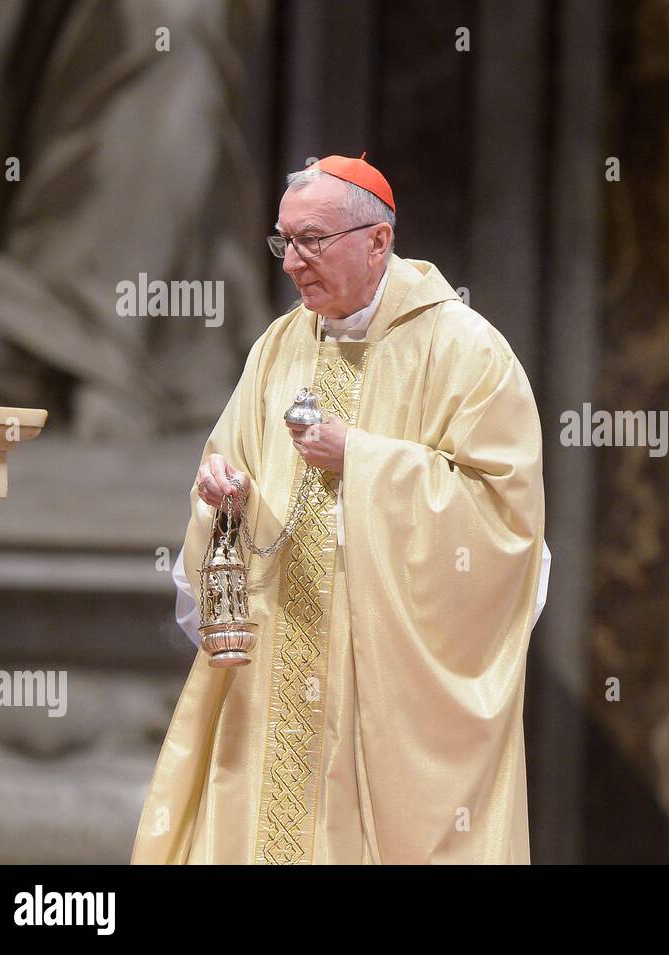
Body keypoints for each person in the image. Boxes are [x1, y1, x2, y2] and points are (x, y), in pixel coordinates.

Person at [131, 154, 547, 864]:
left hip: (380, 681)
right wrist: (225, 500)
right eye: (283, 241)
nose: (292, 263)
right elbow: (225, 467)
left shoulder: (465, 350)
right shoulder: (279, 346)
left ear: (377, 241)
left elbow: (506, 524)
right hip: (274, 667)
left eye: (311, 241)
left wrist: (362, 458)